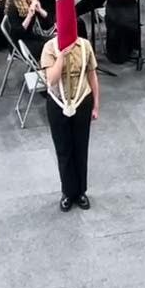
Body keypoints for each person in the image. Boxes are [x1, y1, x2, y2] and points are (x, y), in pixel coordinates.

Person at [40, 35, 100, 212]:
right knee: (63, 149)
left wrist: (96, 105)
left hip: (82, 100)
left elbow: (92, 76)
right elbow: (51, 79)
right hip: (58, 103)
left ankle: (81, 191)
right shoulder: (49, 47)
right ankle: (67, 192)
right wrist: (61, 56)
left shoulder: (85, 45)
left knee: (81, 148)